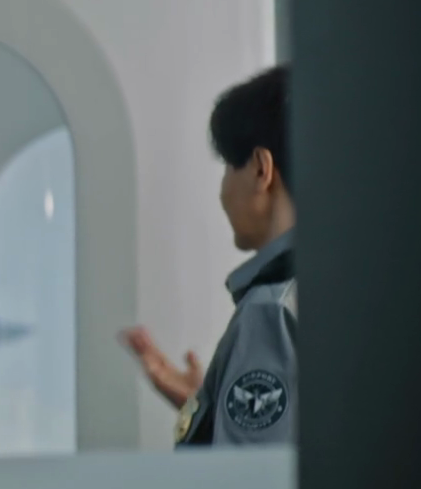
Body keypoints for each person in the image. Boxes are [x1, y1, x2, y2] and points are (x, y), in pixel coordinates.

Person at [121, 65, 297, 447]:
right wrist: (208, 406)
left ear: (260, 170)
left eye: (228, 169)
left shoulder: (270, 310)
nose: (221, 193)